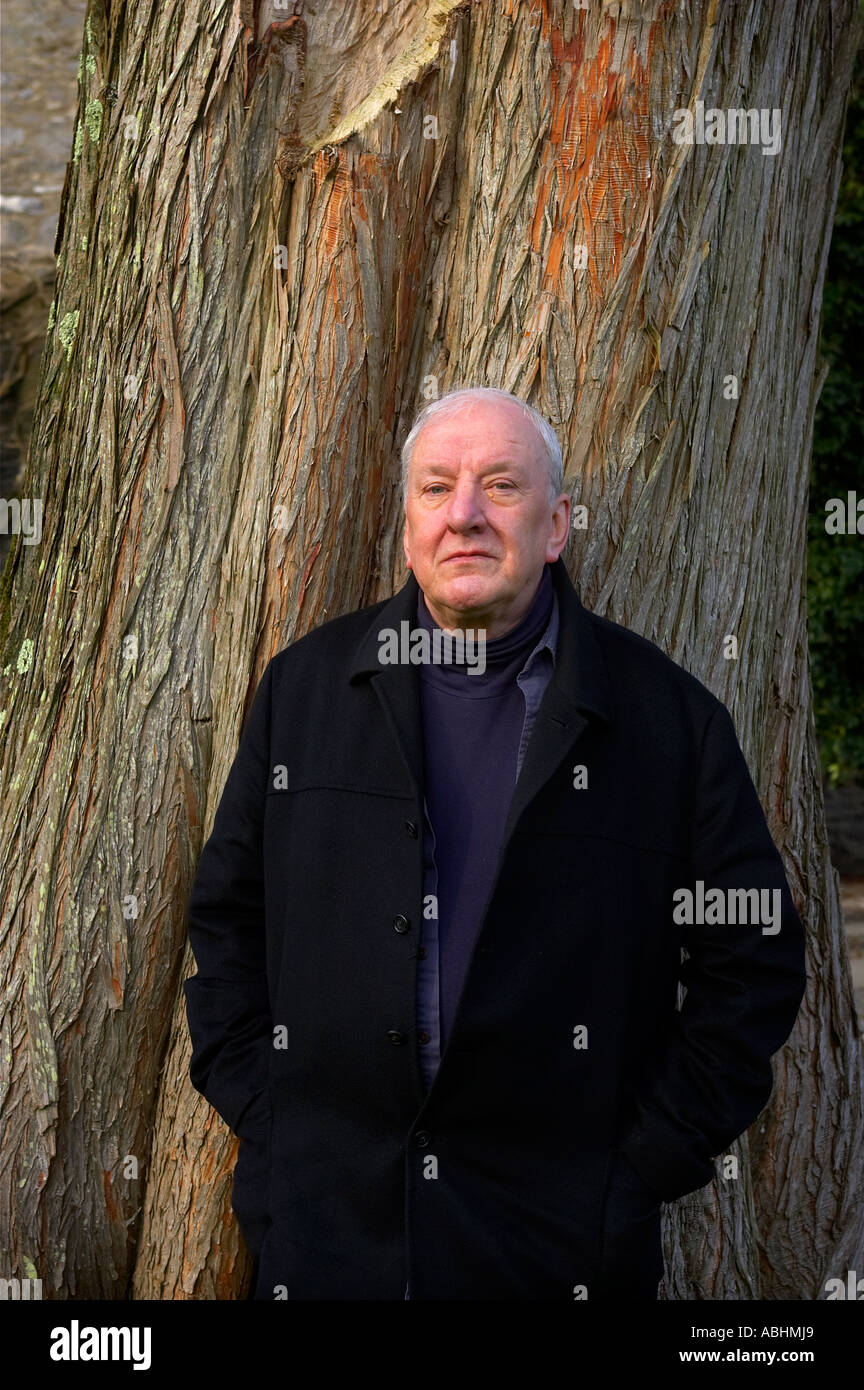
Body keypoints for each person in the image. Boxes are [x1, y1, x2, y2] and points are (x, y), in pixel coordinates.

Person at [184, 386, 806, 1301]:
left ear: (555, 526)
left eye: (501, 486)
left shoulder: (668, 723)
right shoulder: (305, 692)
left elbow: (751, 963)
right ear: (407, 528)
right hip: (328, 1237)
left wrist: (637, 1165)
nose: (465, 513)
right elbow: (227, 922)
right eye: (437, 489)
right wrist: (275, 1126)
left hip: (557, 1247)